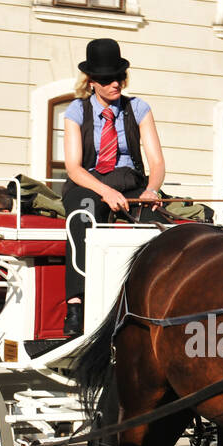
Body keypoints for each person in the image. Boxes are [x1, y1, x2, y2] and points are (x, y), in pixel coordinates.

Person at [61, 38, 167, 336]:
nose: (115, 84)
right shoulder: (76, 112)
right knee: (82, 216)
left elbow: (156, 163)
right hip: (90, 182)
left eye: (119, 77)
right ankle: (76, 303)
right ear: (92, 81)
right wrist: (104, 192)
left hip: (131, 182)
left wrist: (152, 190)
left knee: (155, 223)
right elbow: (73, 167)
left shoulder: (139, 108)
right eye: (107, 79)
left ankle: (145, 299)